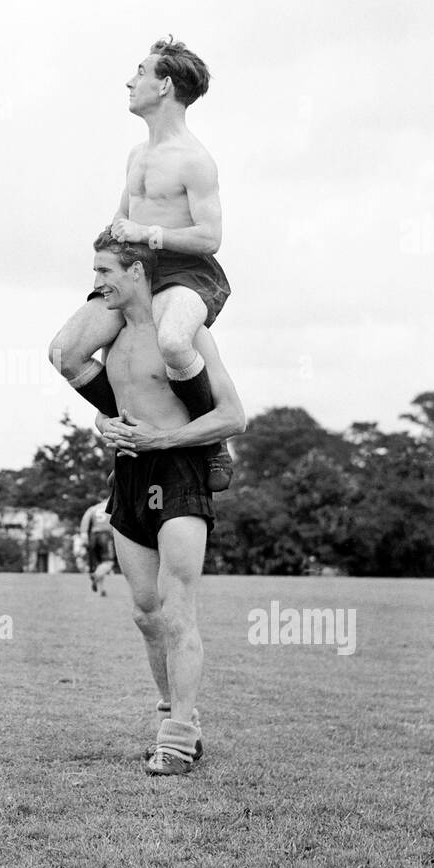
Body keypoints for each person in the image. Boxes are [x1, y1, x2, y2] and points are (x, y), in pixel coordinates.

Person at [82, 226, 245, 776]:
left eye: (104, 271)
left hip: (179, 472)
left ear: (136, 272)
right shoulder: (110, 340)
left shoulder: (187, 332)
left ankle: (175, 740)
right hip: (128, 476)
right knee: (146, 612)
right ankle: (179, 715)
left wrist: (164, 440)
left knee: (177, 611)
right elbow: (123, 403)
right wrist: (104, 422)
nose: (96, 281)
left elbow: (232, 416)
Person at [49, 35, 234, 491]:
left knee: (172, 341)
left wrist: (147, 233)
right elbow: (122, 219)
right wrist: (112, 241)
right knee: (63, 353)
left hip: (187, 274)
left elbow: (211, 238)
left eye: (140, 73)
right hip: (136, 272)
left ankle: (208, 439)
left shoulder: (196, 160)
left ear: (165, 86)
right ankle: (130, 427)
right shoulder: (136, 155)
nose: (129, 82)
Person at [79, 499, 116, 595]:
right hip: (106, 536)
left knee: (99, 564)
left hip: (93, 536)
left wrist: (83, 535)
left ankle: (101, 590)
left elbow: (85, 521)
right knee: (108, 563)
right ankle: (95, 576)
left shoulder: (93, 508)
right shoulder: (112, 507)